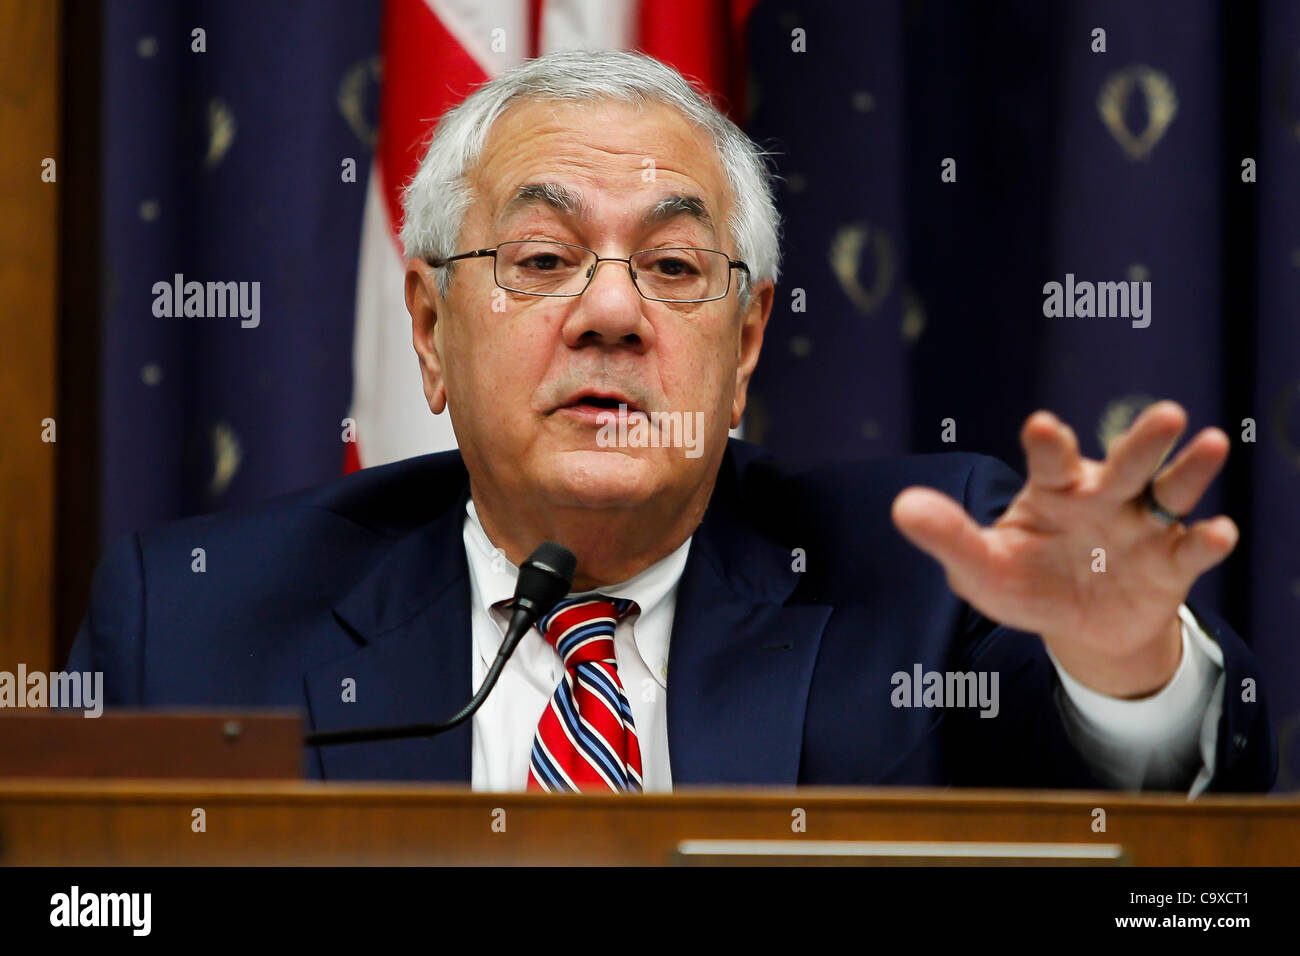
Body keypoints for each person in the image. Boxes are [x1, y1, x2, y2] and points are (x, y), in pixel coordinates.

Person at [69, 50, 1275, 794]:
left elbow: (1157, 838)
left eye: (676, 266)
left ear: (743, 345)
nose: (611, 311)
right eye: (542, 256)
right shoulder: (190, 625)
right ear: (430, 332)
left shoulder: (927, 580)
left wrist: (1122, 666)